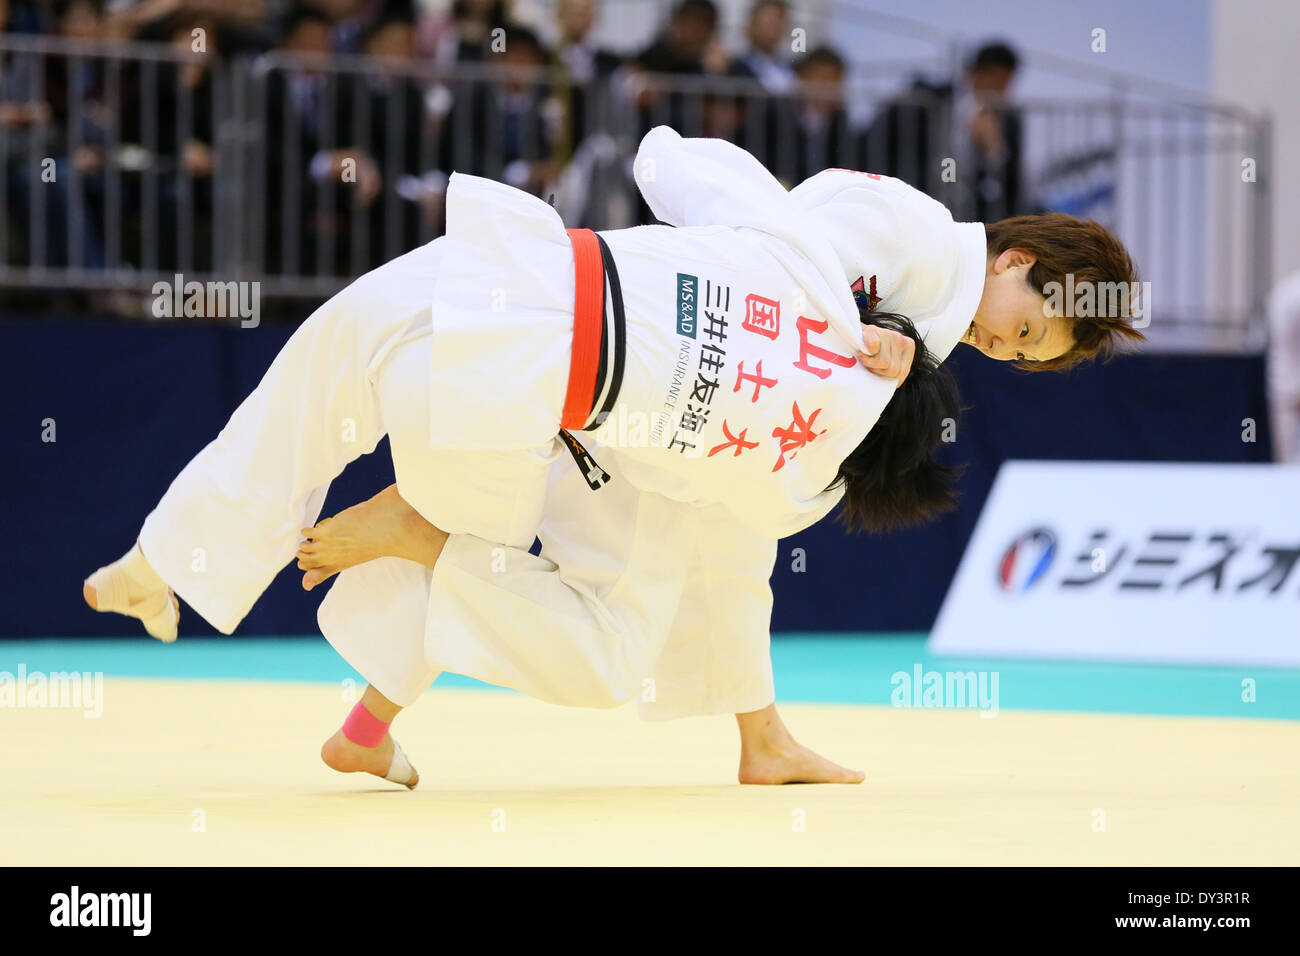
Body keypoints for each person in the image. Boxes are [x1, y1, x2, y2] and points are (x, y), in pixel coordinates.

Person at [83, 126, 1143, 785]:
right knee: (600, 628)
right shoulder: (905, 252)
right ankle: (420, 538)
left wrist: (863, 337)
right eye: (1024, 326)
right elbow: (769, 233)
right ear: (1019, 258)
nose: (1004, 348)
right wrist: (852, 325)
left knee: (315, 386)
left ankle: (178, 566)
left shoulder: (894, 338)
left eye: (1023, 357)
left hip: (534, 284)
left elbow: (682, 171)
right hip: (581, 379)